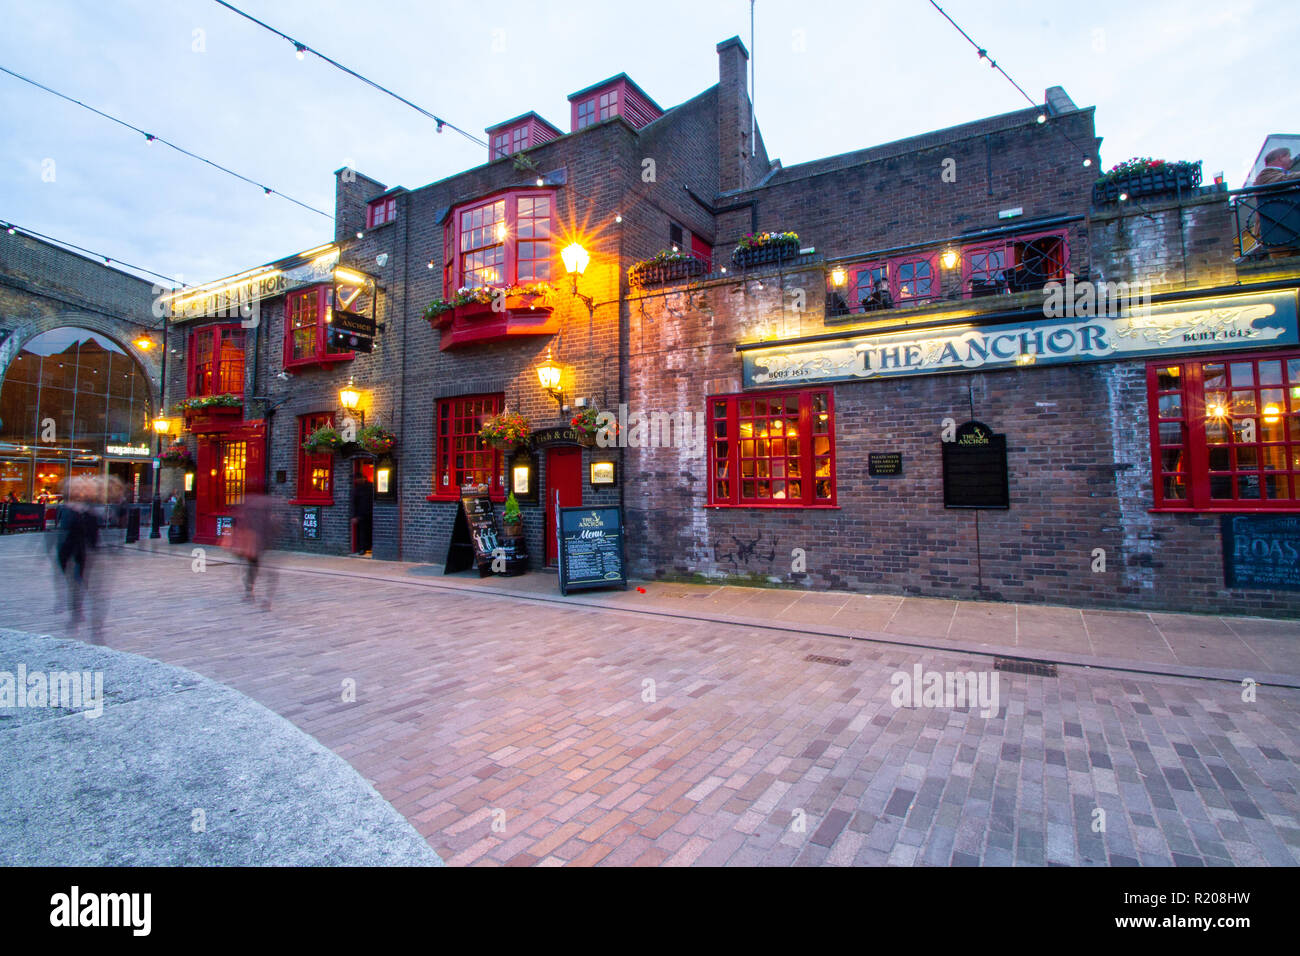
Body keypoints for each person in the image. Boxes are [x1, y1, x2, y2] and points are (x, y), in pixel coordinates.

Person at [232, 494, 277, 608]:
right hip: (261, 546)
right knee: (261, 569)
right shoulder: (264, 514)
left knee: (253, 568)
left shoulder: (248, 513)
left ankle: (251, 593)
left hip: (256, 545)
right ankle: (263, 597)